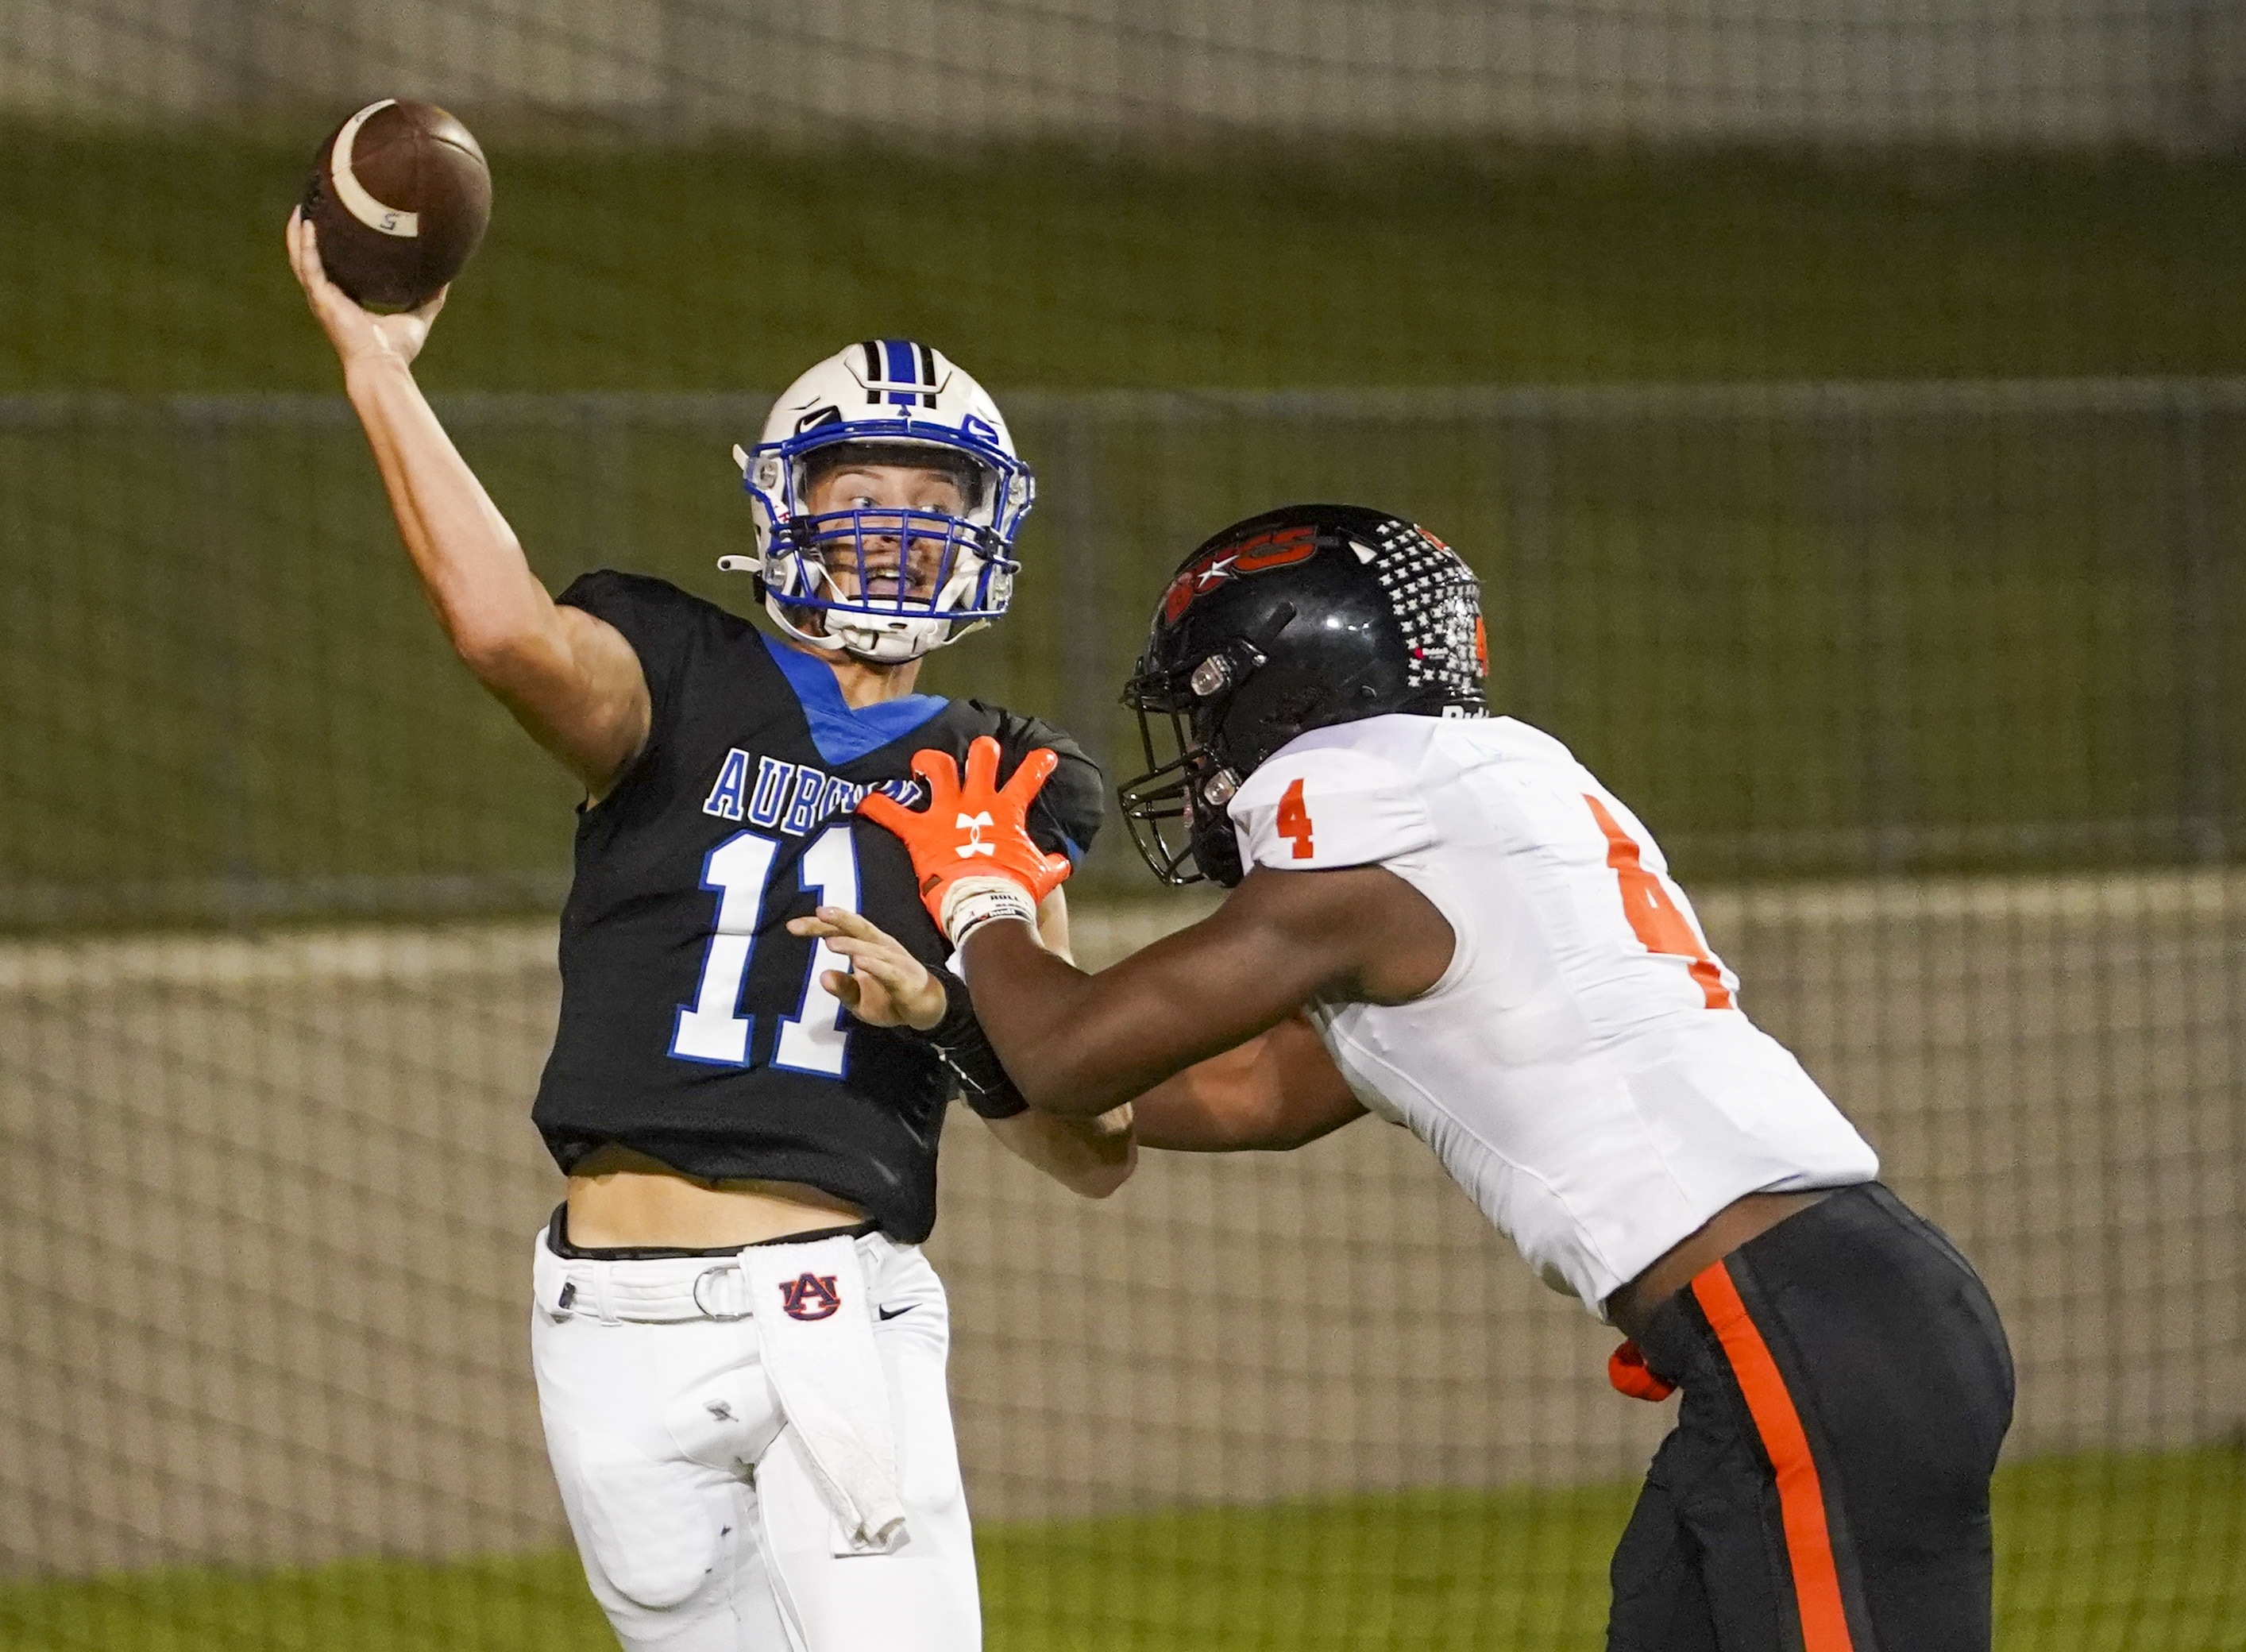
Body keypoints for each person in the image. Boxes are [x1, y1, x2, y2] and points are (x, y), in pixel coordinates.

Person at [808, 503, 2017, 1651]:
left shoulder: (1359, 791)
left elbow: (1076, 1052)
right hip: (1820, 1323)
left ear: (1281, 686)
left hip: (1797, 1328)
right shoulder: (1479, 792)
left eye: (1200, 711)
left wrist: (976, 897)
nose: (1196, 755)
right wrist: (959, 1023)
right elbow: (1255, 1092)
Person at [287, 210, 1133, 1652]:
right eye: (861, 492)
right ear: (782, 505)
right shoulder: (674, 670)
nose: (895, 530)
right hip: (599, 1319)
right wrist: (379, 366)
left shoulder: (1001, 776)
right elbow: (502, 634)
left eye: (932, 501)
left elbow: (1093, 1142)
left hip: (826, 1305)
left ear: (984, 534)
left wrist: (950, 1022)